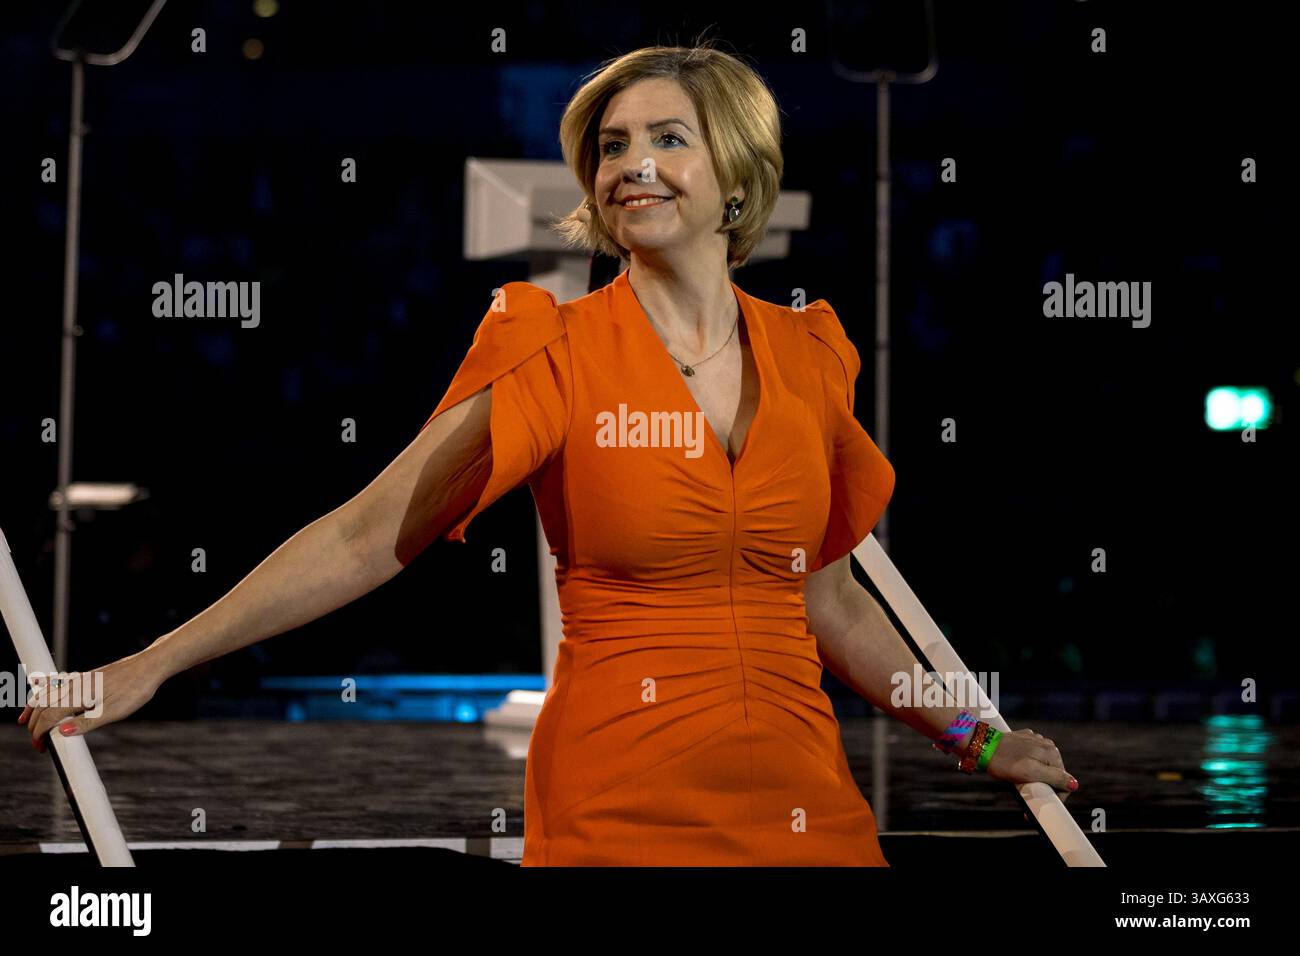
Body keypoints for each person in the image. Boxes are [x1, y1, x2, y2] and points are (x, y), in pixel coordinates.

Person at [19, 41, 1076, 865]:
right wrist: (143, 665)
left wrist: (978, 736)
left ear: (740, 175)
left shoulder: (815, 351)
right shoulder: (550, 342)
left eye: (668, 138)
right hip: (615, 809)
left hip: (807, 814)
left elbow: (832, 602)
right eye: (611, 146)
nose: (630, 166)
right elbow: (362, 535)